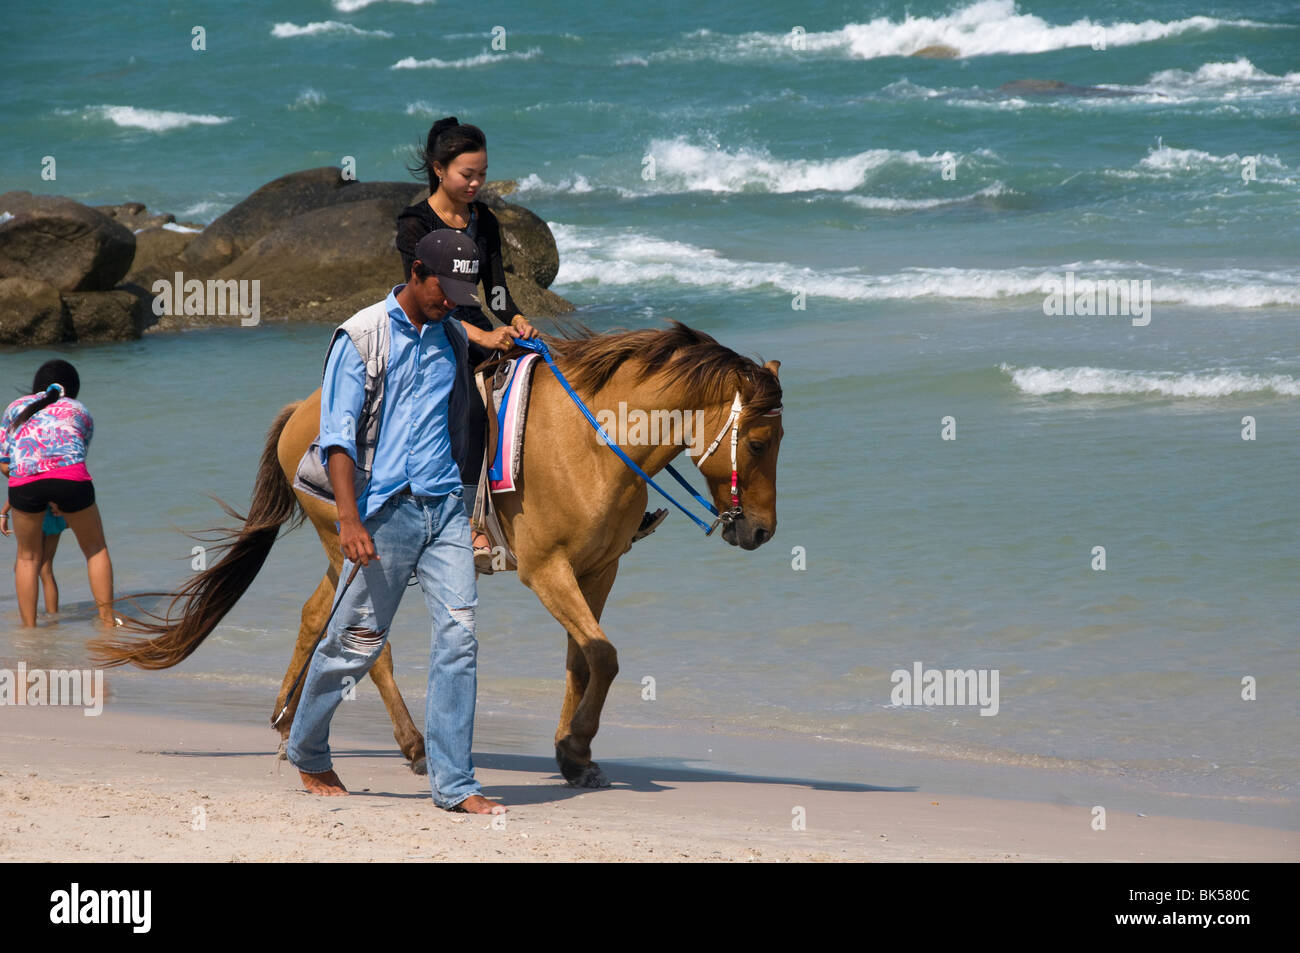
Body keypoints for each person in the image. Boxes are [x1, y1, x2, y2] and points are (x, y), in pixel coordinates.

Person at [287, 229, 505, 815]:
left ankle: (455, 783)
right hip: (383, 514)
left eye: (463, 291)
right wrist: (350, 521)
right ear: (415, 271)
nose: (452, 300)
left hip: (445, 511)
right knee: (353, 643)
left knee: (460, 638)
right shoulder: (361, 337)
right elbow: (336, 437)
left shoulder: (453, 333)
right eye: (444, 288)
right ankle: (307, 749)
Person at [397, 117, 665, 569]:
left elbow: (496, 292)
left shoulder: (483, 219)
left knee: (565, 381)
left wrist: (517, 321)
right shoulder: (414, 224)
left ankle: (608, 510)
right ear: (440, 170)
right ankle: (470, 521)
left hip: (484, 327)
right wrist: (481, 335)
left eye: (482, 173)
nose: (477, 183)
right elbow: (420, 302)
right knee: (473, 408)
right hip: (433, 330)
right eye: (468, 174)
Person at [0, 360, 116, 628]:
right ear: (73, 389)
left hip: (24, 483)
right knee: (95, 549)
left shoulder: (15, 407)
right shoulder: (79, 410)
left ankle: (29, 631)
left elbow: (5, 462)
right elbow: (74, 455)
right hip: (71, 480)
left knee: (27, 558)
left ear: (36, 386)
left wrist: (29, 476)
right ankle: (108, 623)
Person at [0, 501, 66, 614]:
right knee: (46, 569)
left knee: (23, 567)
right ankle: (53, 617)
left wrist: (3, 513)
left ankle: (28, 619)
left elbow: (20, 487)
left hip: (37, 514)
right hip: (57, 514)